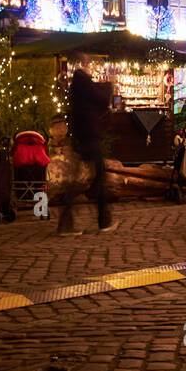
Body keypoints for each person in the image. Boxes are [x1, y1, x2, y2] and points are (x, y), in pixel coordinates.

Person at [57, 52, 116, 235]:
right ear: (83, 66)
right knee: (96, 177)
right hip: (89, 136)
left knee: (87, 177)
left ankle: (74, 220)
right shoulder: (83, 82)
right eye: (89, 64)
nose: (91, 67)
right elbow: (101, 97)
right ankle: (102, 221)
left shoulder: (79, 84)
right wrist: (109, 84)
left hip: (83, 136)